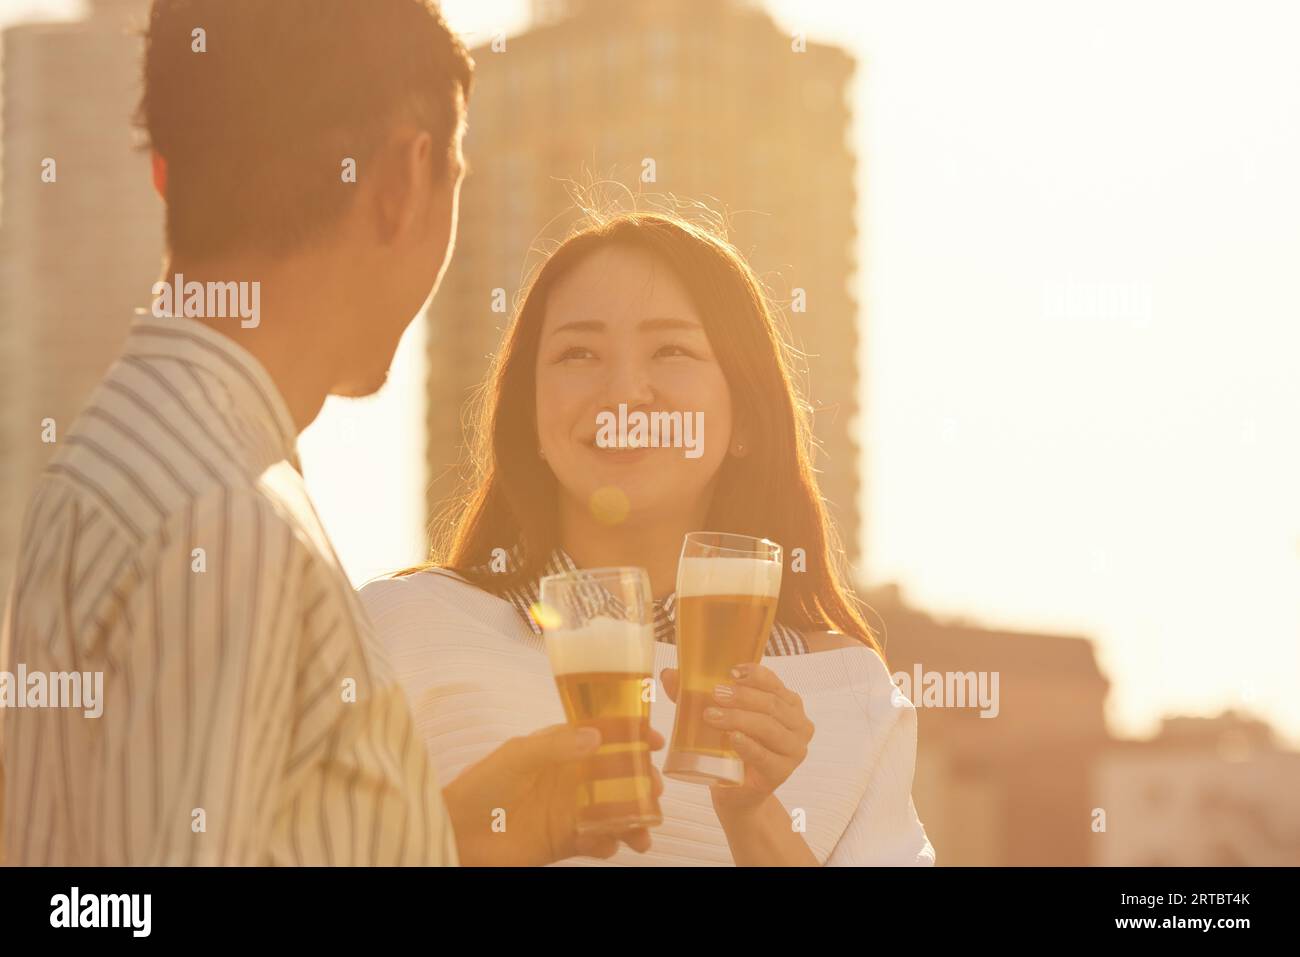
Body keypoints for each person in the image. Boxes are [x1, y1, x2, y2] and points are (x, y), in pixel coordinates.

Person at [0, 0, 659, 866]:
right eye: (455, 177)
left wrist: (437, 846)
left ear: (166, 173)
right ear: (402, 181)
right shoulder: (227, 522)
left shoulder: (120, 456)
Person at [361, 209, 937, 865]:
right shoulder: (400, 629)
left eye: (672, 350)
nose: (625, 392)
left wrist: (755, 818)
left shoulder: (848, 691)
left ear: (745, 416)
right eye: (579, 353)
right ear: (531, 419)